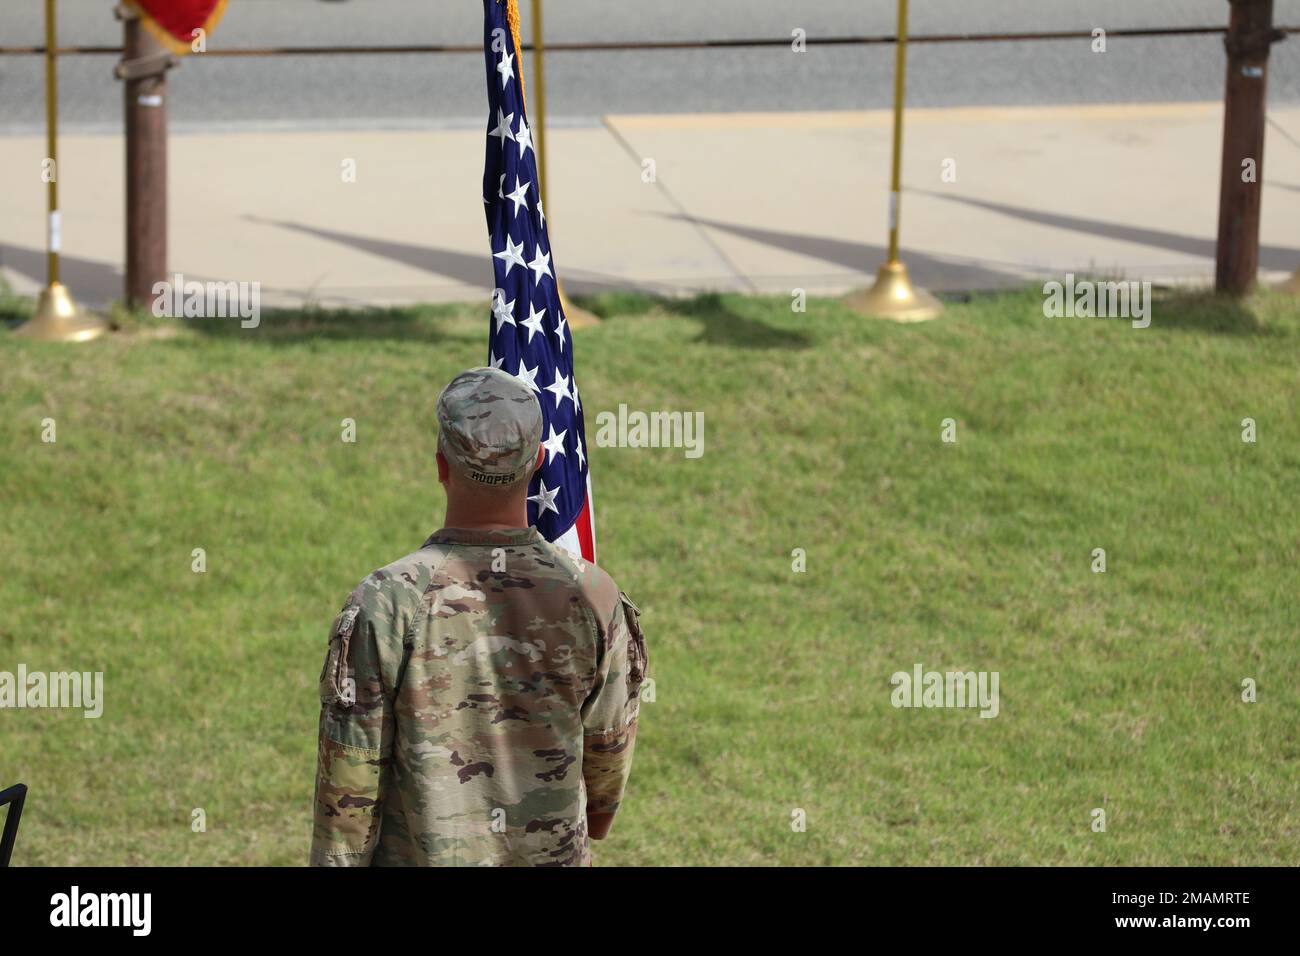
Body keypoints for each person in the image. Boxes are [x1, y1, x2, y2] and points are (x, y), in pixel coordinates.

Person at [310, 367, 647, 866]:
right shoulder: (592, 594)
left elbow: (350, 793)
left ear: (441, 465)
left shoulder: (387, 600)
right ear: (539, 461)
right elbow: (604, 777)